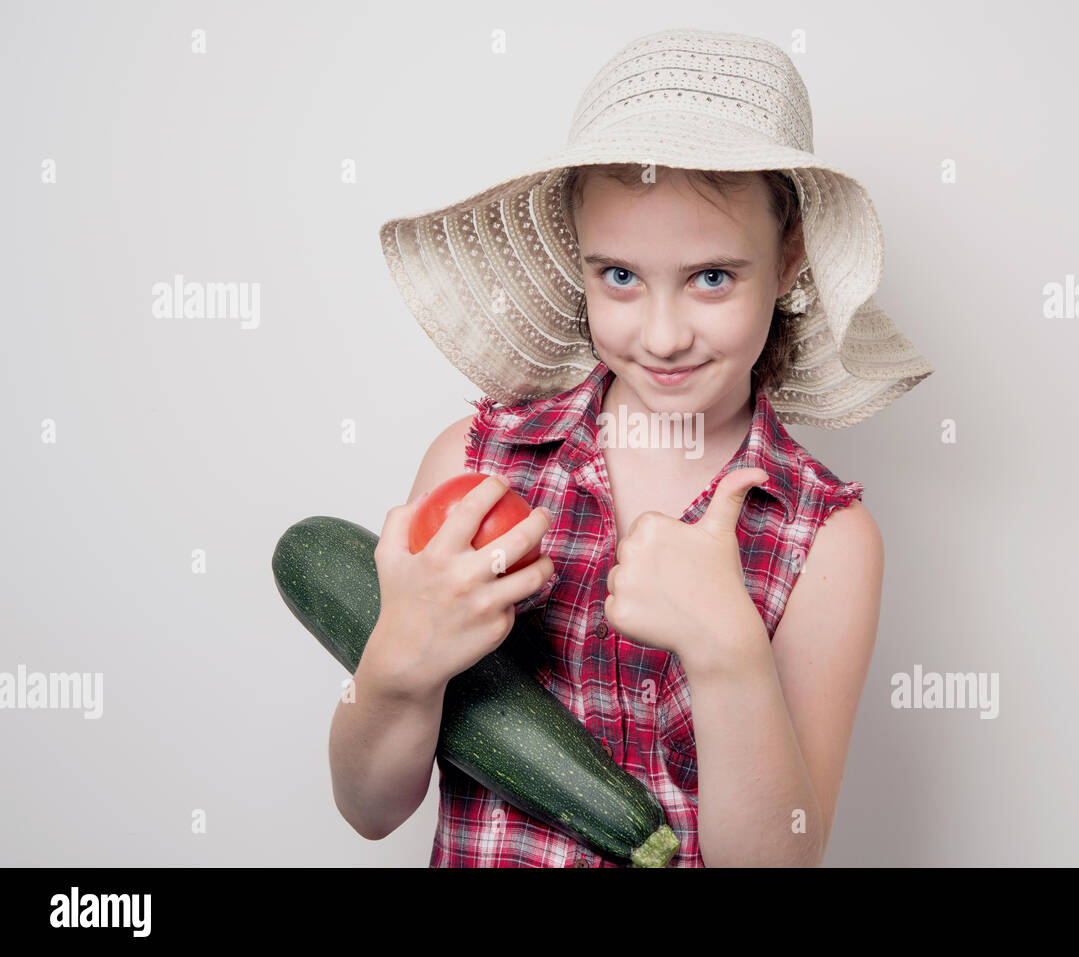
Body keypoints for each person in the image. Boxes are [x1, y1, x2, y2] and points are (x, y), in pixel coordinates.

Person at [330, 27, 934, 867]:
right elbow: (368, 807)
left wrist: (729, 651)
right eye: (619, 275)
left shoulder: (826, 540)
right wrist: (396, 668)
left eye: (711, 277)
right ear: (578, 259)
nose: (661, 335)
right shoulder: (473, 467)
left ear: (790, 256)